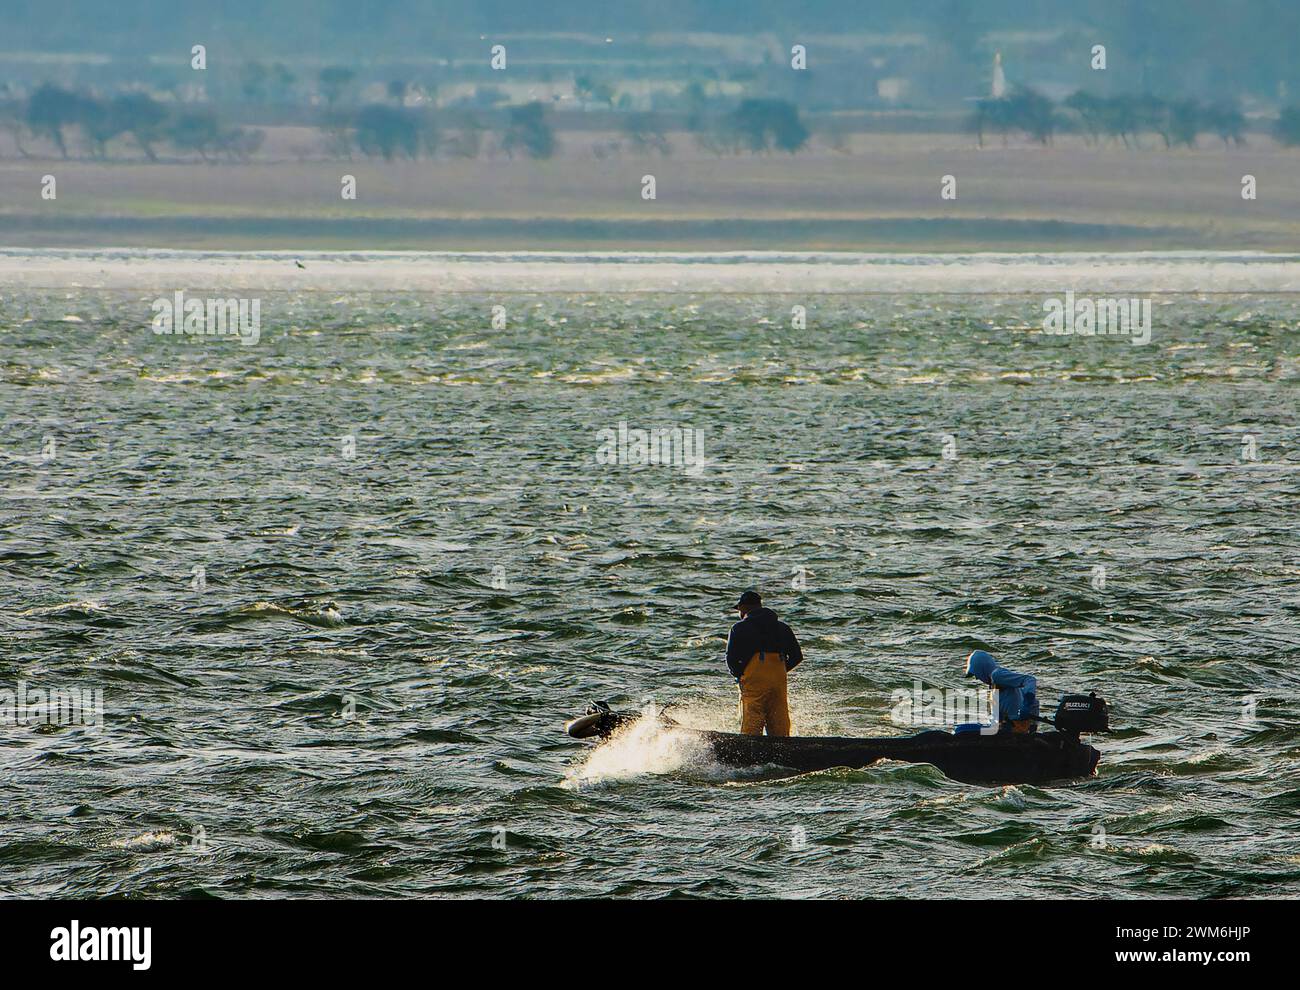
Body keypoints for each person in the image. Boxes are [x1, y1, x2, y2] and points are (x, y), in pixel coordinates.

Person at [726, 590, 803, 736]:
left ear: (742, 608)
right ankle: (783, 749)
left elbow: (731, 659)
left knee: (752, 720)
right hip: (778, 680)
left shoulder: (738, 628)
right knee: (779, 719)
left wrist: (740, 675)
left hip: (754, 681)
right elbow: (797, 656)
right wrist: (779, 670)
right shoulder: (782, 627)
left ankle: (750, 751)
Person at [965, 650, 1038, 733]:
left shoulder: (997, 675)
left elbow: (1030, 680)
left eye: (976, 674)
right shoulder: (994, 686)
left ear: (981, 668)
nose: (977, 678)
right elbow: (997, 718)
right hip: (1010, 725)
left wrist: (1027, 704)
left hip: (1015, 725)